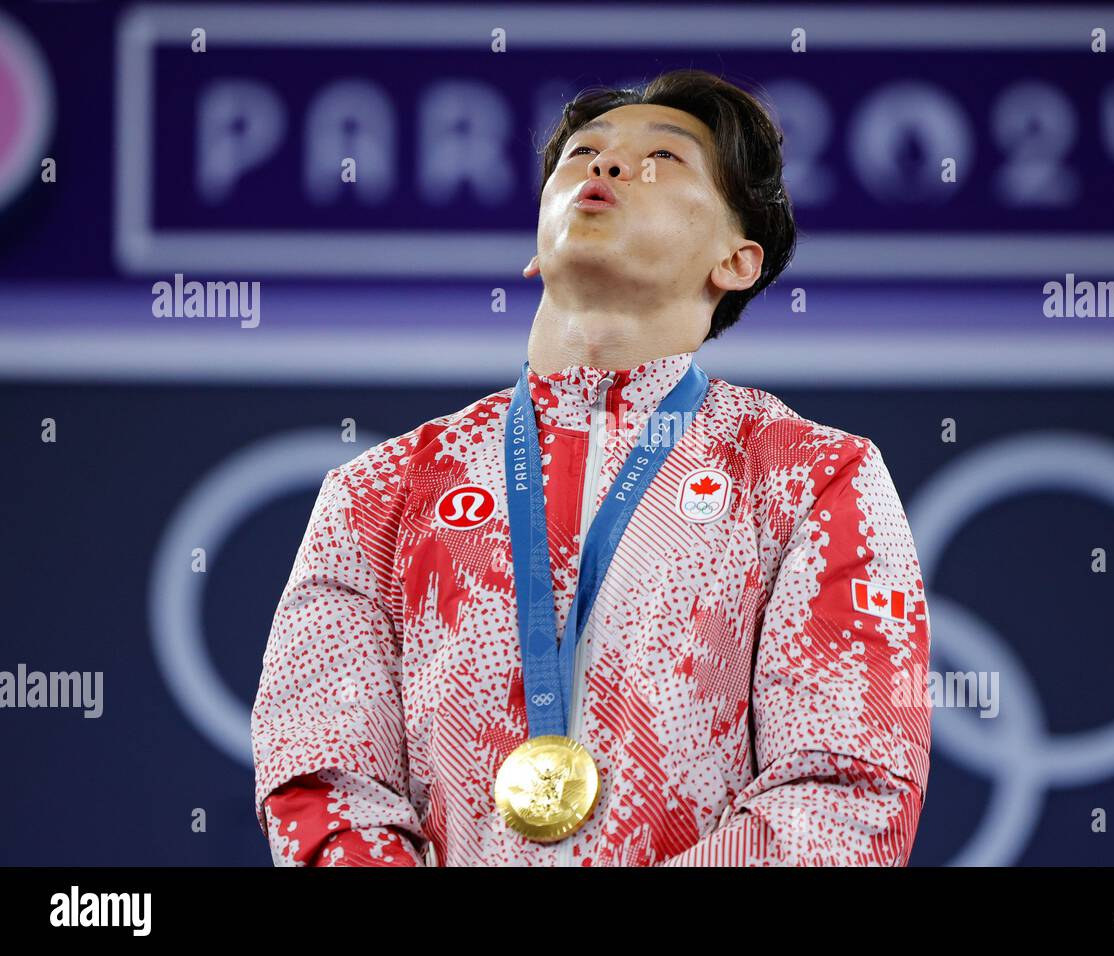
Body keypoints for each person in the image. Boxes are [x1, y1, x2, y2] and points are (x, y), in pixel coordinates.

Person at [251, 68, 932, 866]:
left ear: (737, 261)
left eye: (664, 160)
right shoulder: (377, 492)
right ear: (536, 251)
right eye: (583, 153)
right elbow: (323, 781)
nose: (606, 167)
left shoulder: (813, 477)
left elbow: (849, 789)